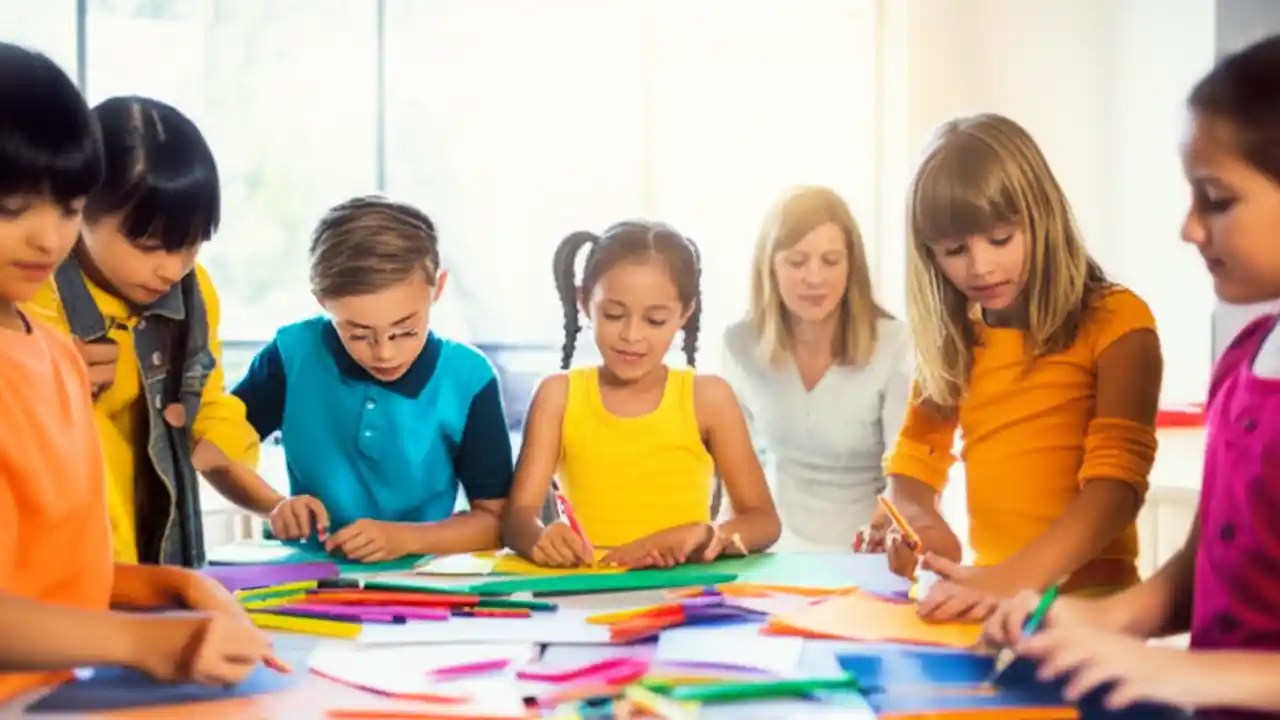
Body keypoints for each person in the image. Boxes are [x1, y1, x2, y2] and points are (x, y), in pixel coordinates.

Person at [987, 35, 1280, 717]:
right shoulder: (1244, 363)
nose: (1188, 227)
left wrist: (1175, 674)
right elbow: (1205, 568)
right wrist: (1102, 622)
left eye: (1216, 199)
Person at [0, 41, 275, 704]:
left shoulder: (54, 355)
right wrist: (145, 640)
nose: (47, 239)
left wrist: (173, 588)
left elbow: (48, 575)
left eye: (66, 208)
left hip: (59, 685)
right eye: (12, 210)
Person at [856, 113, 1163, 622]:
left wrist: (1010, 580)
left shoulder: (1119, 322)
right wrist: (919, 531)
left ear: (1042, 216)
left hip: (1094, 607)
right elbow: (911, 469)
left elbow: (1116, 490)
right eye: (955, 251)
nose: (980, 267)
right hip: (993, 592)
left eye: (1000, 239)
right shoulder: (957, 340)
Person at [232, 196, 513, 562]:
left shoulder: (468, 378)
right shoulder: (292, 355)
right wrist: (274, 506)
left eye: (405, 330)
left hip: (425, 585)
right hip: (306, 581)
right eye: (360, 334)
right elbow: (215, 449)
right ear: (322, 301)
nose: (384, 353)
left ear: (438, 288)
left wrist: (405, 539)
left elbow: (496, 521)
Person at [501, 221, 781, 568]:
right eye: (614, 314)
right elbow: (517, 519)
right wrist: (540, 537)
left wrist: (707, 533)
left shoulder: (708, 398)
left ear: (684, 314)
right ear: (585, 302)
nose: (632, 335)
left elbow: (764, 522)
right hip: (585, 592)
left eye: (655, 320)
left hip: (684, 596)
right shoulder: (558, 395)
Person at [722, 185, 911, 551]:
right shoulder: (740, 344)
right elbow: (737, 481)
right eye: (797, 262)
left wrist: (882, 535)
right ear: (770, 265)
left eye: (830, 261)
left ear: (851, 266)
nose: (814, 278)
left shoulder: (893, 343)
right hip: (773, 553)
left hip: (869, 552)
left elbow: (906, 479)